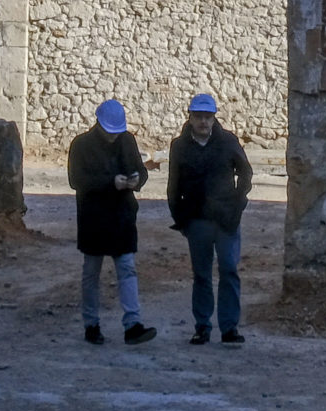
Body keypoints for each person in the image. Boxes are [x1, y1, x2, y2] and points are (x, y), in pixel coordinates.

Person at [166, 91, 254, 345]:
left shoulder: (228, 141)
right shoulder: (180, 147)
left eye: (207, 116)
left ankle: (229, 328)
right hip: (197, 220)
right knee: (202, 274)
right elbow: (174, 185)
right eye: (199, 116)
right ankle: (202, 327)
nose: (203, 121)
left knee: (229, 269)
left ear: (214, 118)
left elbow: (245, 173)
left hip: (226, 219)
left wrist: (238, 204)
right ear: (190, 117)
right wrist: (180, 218)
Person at [68, 99, 155, 344]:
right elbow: (77, 180)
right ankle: (91, 325)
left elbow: (141, 170)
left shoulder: (127, 140)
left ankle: (133, 324)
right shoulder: (81, 145)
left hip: (121, 216)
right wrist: (110, 183)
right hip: (94, 218)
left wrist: (137, 179)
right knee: (91, 273)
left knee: (127, 269)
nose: (113, 136)